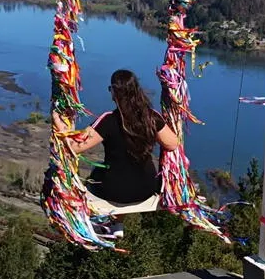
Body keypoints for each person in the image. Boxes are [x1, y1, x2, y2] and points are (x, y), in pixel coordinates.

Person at [52, 69, 179, 207]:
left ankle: (114, 225)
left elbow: (74, 148)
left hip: (114, 191)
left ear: (114, 91)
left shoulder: (108, 120)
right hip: (146, 188)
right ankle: (118, 224)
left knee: (95, 174)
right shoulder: (152, 117)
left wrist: (58, 123)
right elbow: (172, 144)